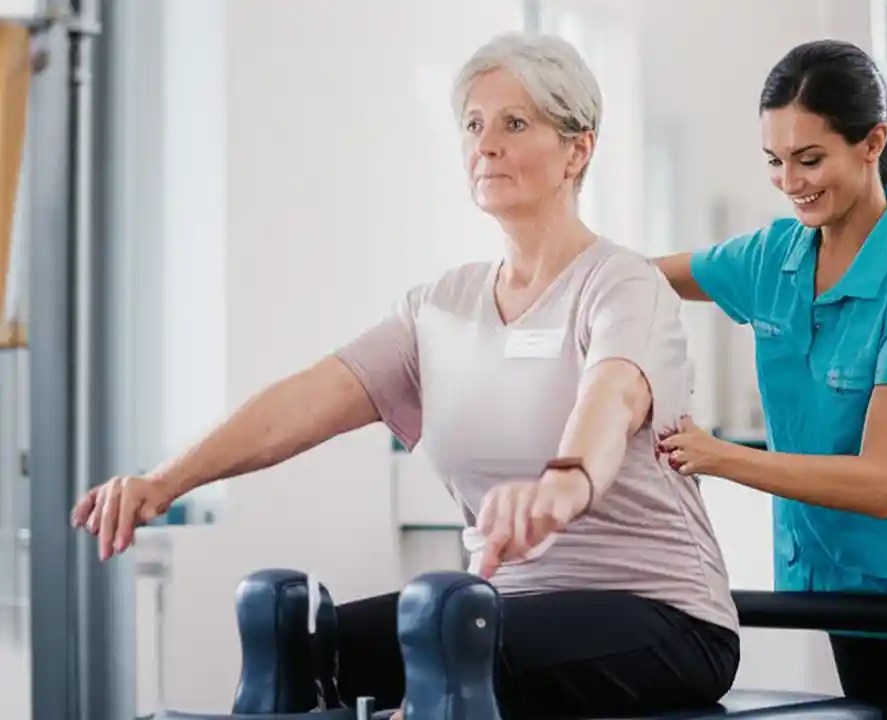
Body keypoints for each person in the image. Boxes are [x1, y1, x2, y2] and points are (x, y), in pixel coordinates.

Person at [69, 32, 739, 719]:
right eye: (474, 125)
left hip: (664, 617)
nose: (487, 143)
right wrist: (165, 481)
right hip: (503, 609)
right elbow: (305, 402)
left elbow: (612, 394)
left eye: (515, 123)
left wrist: (565, 480)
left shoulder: (622, 282)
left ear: (578, 148)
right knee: (298, 640)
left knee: (447, 638)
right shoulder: (441, 307)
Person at [654, 39, 887, 718]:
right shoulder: (774, 255)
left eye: (810, 158)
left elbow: (881, 481)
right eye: (775, 161)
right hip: (844, 588)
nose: (791, 180)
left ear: (871, 142)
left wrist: (718, 456)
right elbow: (636, 278)